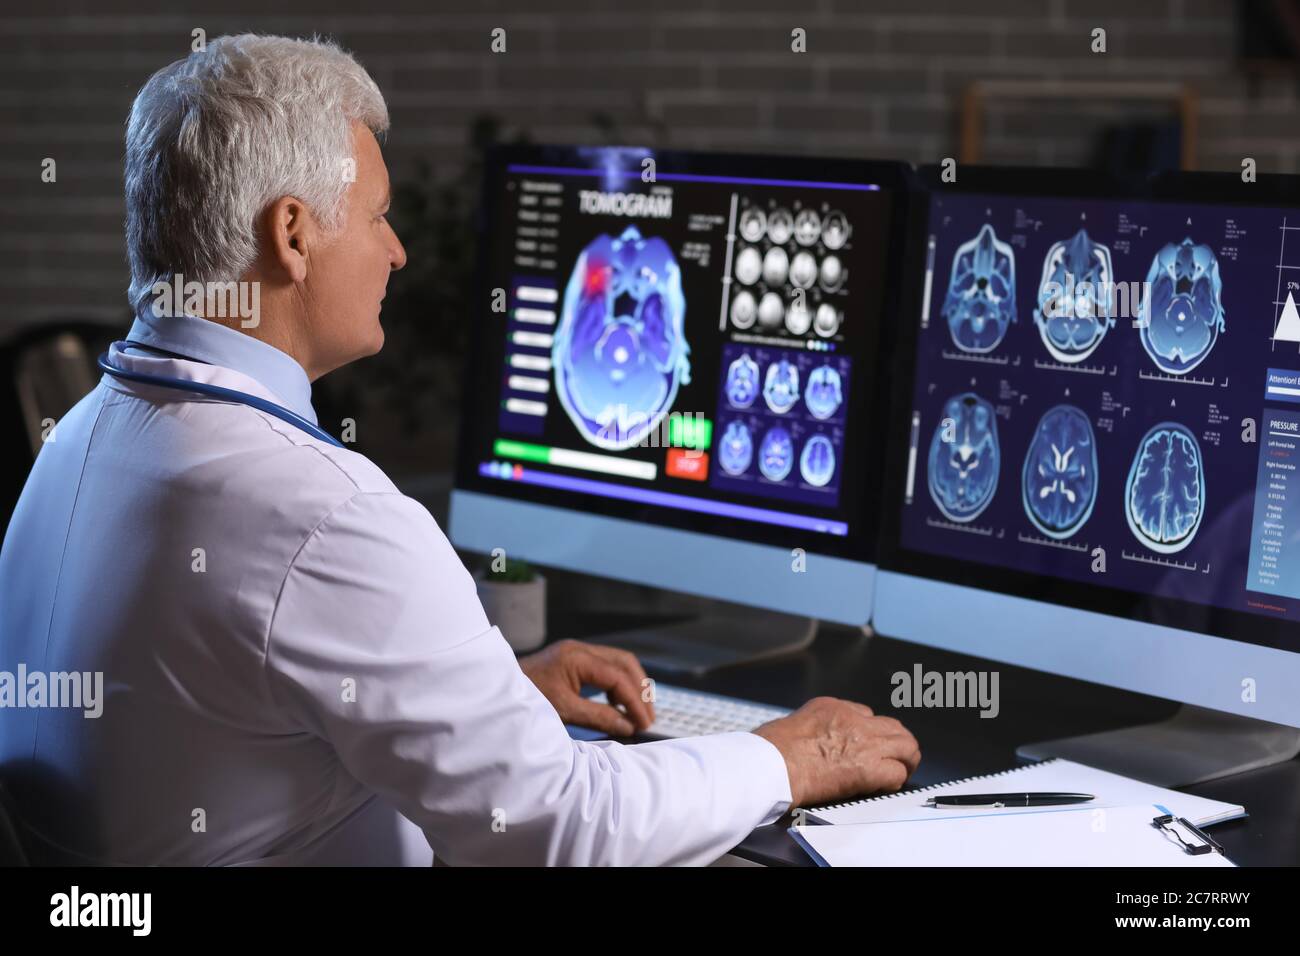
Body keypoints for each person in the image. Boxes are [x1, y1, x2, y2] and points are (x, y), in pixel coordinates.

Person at [0, 34, 919, 866]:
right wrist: (783, 758)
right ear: (291, 236)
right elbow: (552, 825)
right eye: (376, 216)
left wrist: (475, 691)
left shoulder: (76, 438)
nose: (398, 251)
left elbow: (214, 701)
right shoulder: (323, 513)